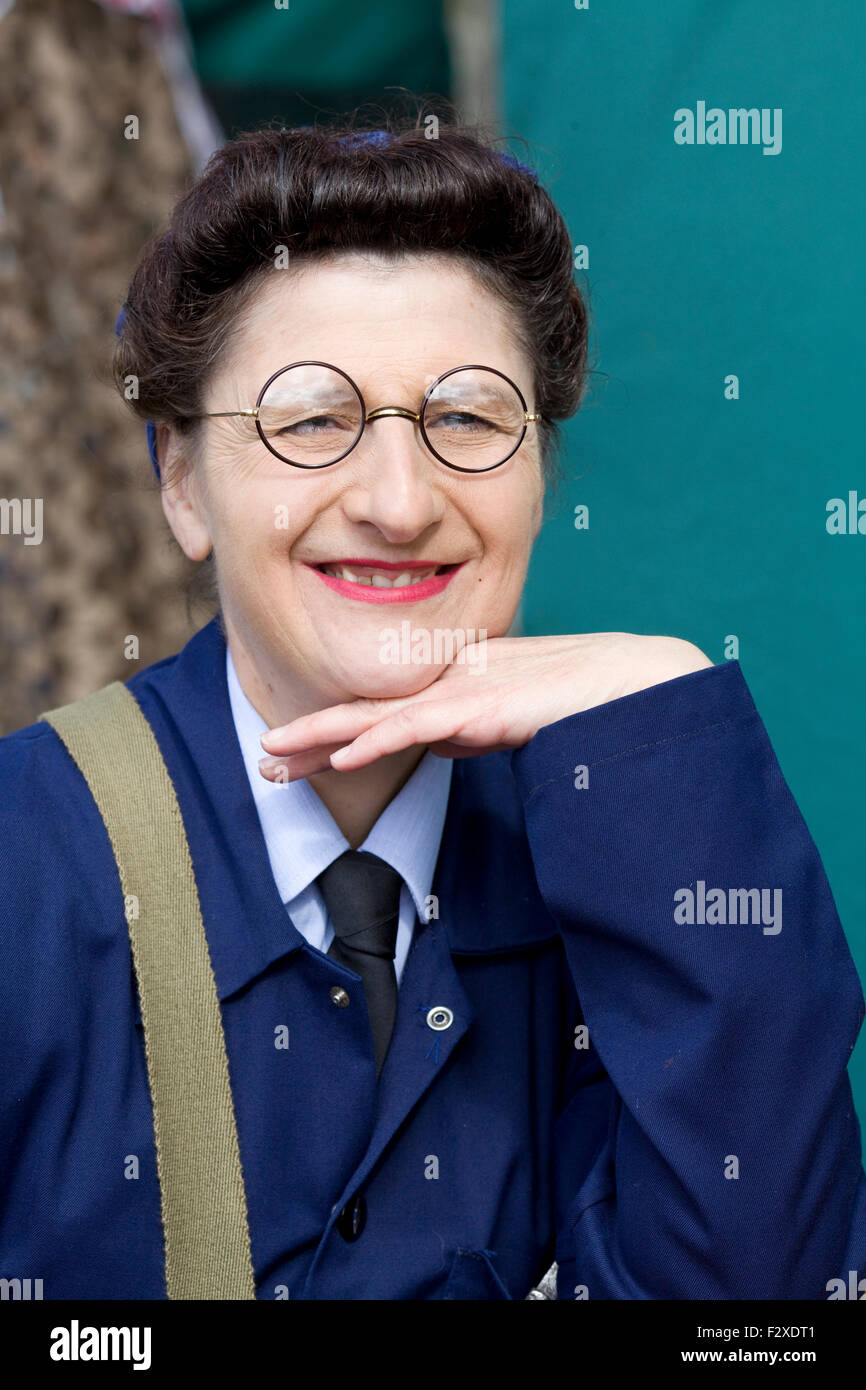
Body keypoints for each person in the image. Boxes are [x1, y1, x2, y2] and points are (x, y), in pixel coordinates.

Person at [1, 117, 864, 1302]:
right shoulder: (28, 867)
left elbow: (759, 1312)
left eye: (465, 419)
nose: (399, 502)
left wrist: (659, 713)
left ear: (540, 474)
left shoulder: (642, 857)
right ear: (182, 482)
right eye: (310, 421)